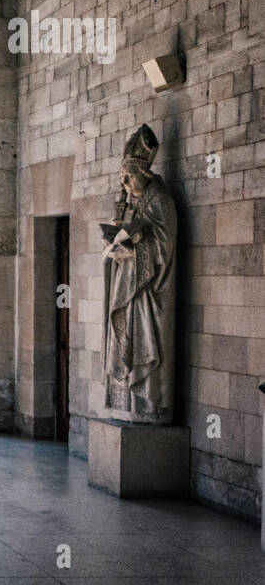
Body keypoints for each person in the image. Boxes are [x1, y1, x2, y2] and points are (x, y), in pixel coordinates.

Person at [101, 124, 177, 424]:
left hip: (148, 291)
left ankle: (147, 406)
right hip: (128, 282)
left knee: (143, 344)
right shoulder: (136, 205)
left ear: (143, 174)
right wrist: (114, 244)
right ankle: (125, 405)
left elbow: (164, 247)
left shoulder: (160, 202)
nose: (124, 183)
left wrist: (133, 243)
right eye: (122, 177)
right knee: (124, 340)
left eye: (128, 176)